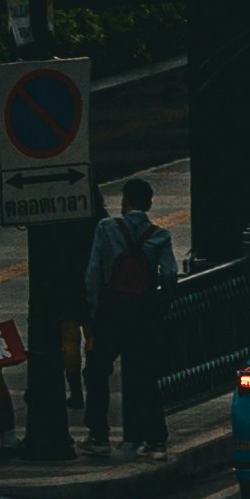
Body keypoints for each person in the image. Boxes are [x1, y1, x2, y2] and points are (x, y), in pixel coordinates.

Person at [86, 183, 174, 462]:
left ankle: (98, 435)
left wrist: (93, 314)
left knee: (97, 369)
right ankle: (155, 440)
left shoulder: (106, 228)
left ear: (124, 201)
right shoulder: (160, 235)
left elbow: (94, 273)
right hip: (143, 313)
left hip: (111, 311)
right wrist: (160, 306)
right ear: (148, 204)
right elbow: (170, 275)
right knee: (145, 376)